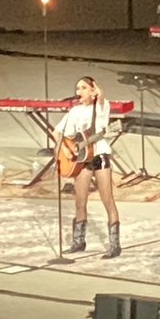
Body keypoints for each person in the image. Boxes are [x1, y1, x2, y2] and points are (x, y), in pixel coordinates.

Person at [52, 76, 121, 259]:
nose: (79, 91)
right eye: (77, 88)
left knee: (108, 200)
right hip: (83, 158)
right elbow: (57, 132)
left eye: (83, 88)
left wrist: (99, 93)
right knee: (79, 201)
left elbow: (102, 98)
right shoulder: (74, 111)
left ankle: (115, 245)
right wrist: (65, 149)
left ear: (92, 90)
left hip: (99, 155)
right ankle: (78, 241)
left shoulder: (101, 107)